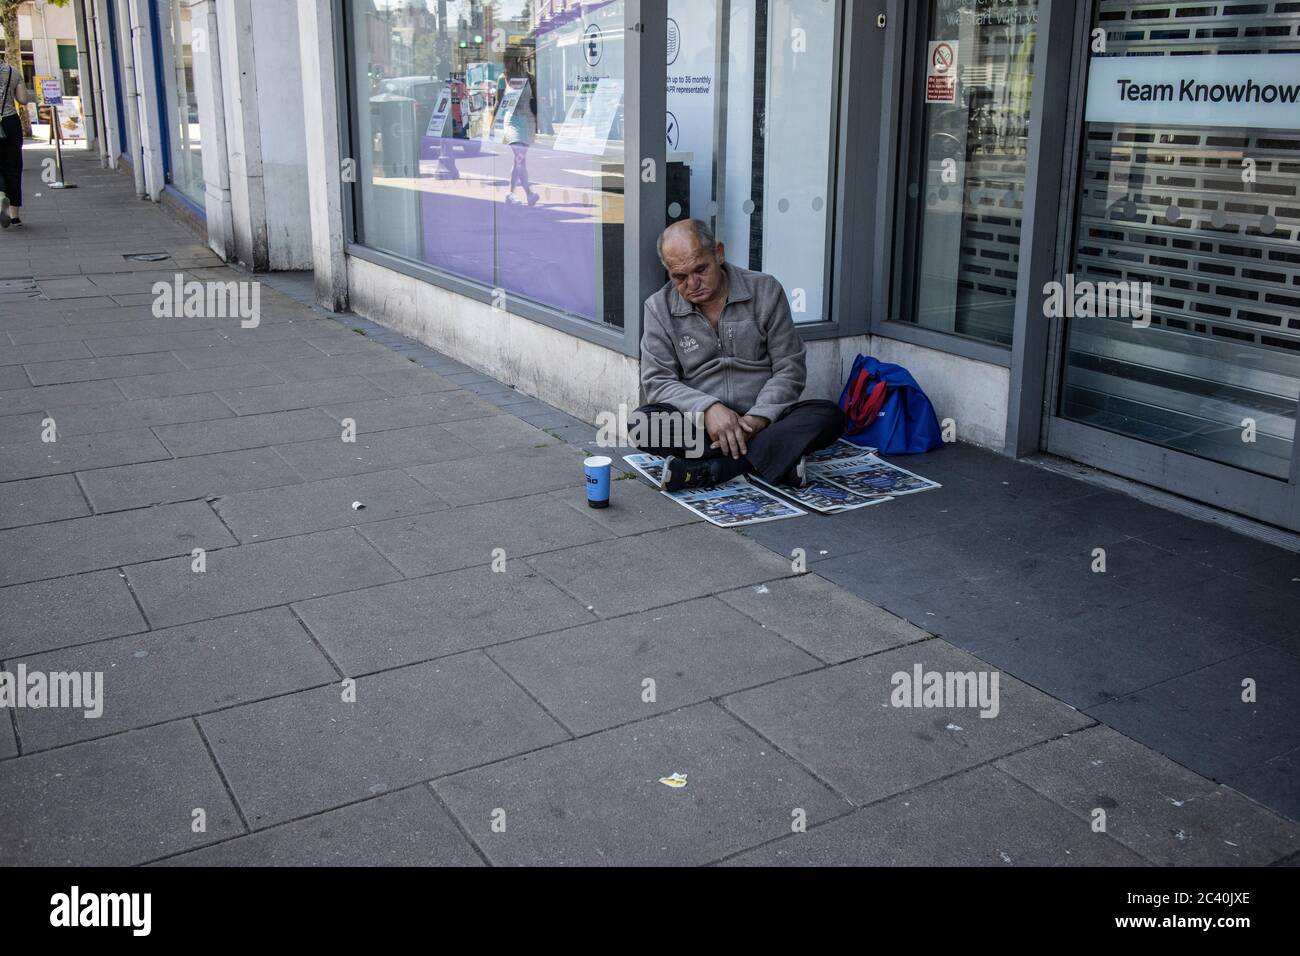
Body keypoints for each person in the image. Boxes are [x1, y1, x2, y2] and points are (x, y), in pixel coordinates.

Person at [637, 219, 845, 491]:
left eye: (701, 269)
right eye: (679, 277)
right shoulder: (658, 308)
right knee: (641, 425)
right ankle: (774, 460)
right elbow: (657, 382)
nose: (693, 283)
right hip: (702, 425)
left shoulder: (765, 290)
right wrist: (708, 409)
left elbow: (789, 367)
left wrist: (758, 418)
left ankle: (714, 469)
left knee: (829, 415)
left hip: (765, 421)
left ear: (719, 253)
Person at [497, 70, 538, 206]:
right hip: (512, 121)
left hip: (526, 121)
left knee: (519, 161)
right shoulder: (503, 78)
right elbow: (499, 102)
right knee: (520, 157)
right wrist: (493, 123)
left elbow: (535, 101)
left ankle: (510, 194)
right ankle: (529, 193)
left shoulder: (530, 77)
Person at [0, 59, 29, 228]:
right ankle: (15, 216)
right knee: (13, 167)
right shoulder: (12, 71)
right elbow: (23, 99)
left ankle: (1, 196)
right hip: (10, 123)